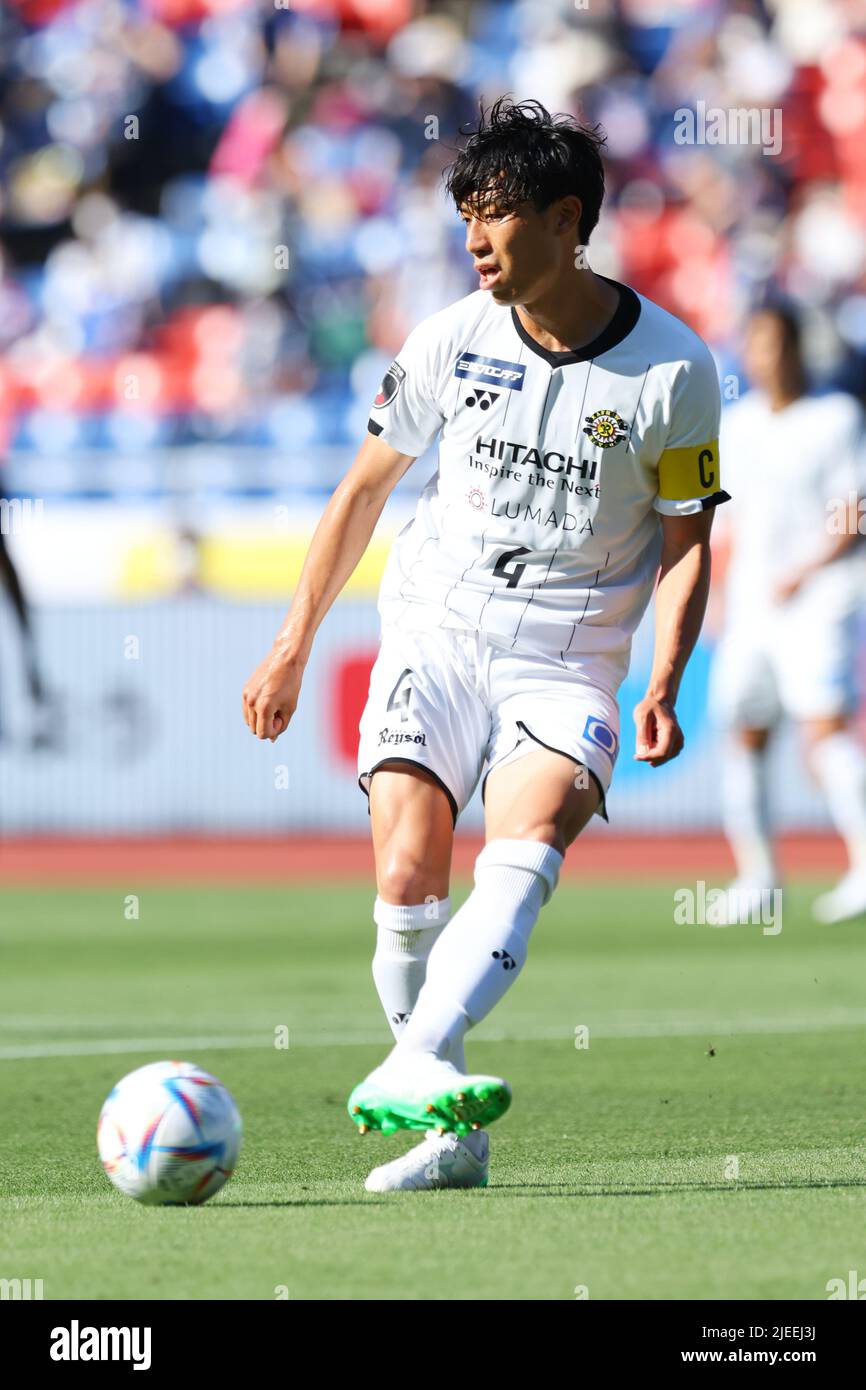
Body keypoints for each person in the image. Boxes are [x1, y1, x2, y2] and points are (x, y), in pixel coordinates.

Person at [242, 98, 728, 1191]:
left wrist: (663, 675)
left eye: (497, 214)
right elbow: (363, 491)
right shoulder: (450, 338)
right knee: (409, 870)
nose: (474, 237)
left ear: (567, 221)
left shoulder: (674, 370)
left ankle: (410, 1065)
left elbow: (689, 542)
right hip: (436, 626)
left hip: (567, 655)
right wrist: (292, 642)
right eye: (465, 212)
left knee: (533, 832)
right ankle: (444, 1121)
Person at [710, 303, 866, 924]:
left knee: (824, 730)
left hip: (821, 597)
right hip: (754, 606)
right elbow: (728, 520)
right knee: (745, 733)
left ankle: (861, 866)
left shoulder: (836, 416)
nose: (762, 354)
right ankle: (759, 879)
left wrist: (802, 571)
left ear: (797, 348)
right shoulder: (739, 424)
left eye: (772, 342)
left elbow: (853, 510)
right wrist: (720, 593)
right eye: (753, 342)